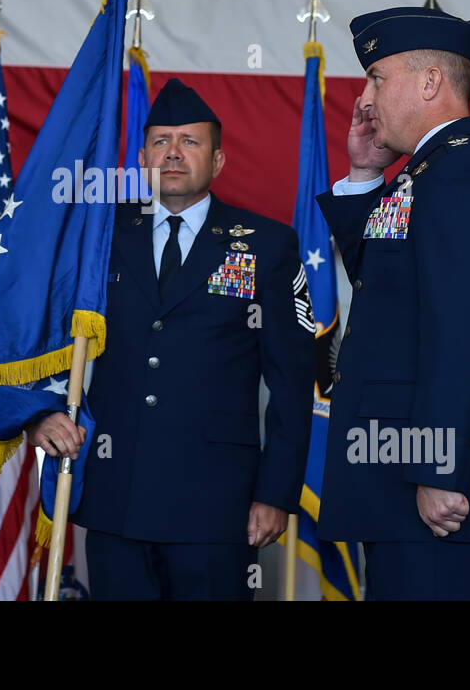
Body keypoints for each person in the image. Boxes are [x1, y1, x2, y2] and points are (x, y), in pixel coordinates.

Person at [28, 77, 316, 600]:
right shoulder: (100, 237)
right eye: (161, 141)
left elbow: (293, 383)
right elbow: (44, 330)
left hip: (218, 508)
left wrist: (276, 492)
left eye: (190, 141)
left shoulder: (268, 246)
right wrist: (39, 412)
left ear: (218, 160)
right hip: (118, 499)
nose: (174, 153)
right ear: (142, 157)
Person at [313, 5, 470, 600]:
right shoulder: (429, 171)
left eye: (377, 78)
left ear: (431, 82)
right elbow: (381, 288)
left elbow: (463, 336)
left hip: (439, 494)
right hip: (399, 483)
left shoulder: (466, 174)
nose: (364, 98)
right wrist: (365, 174)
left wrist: (437, 469)